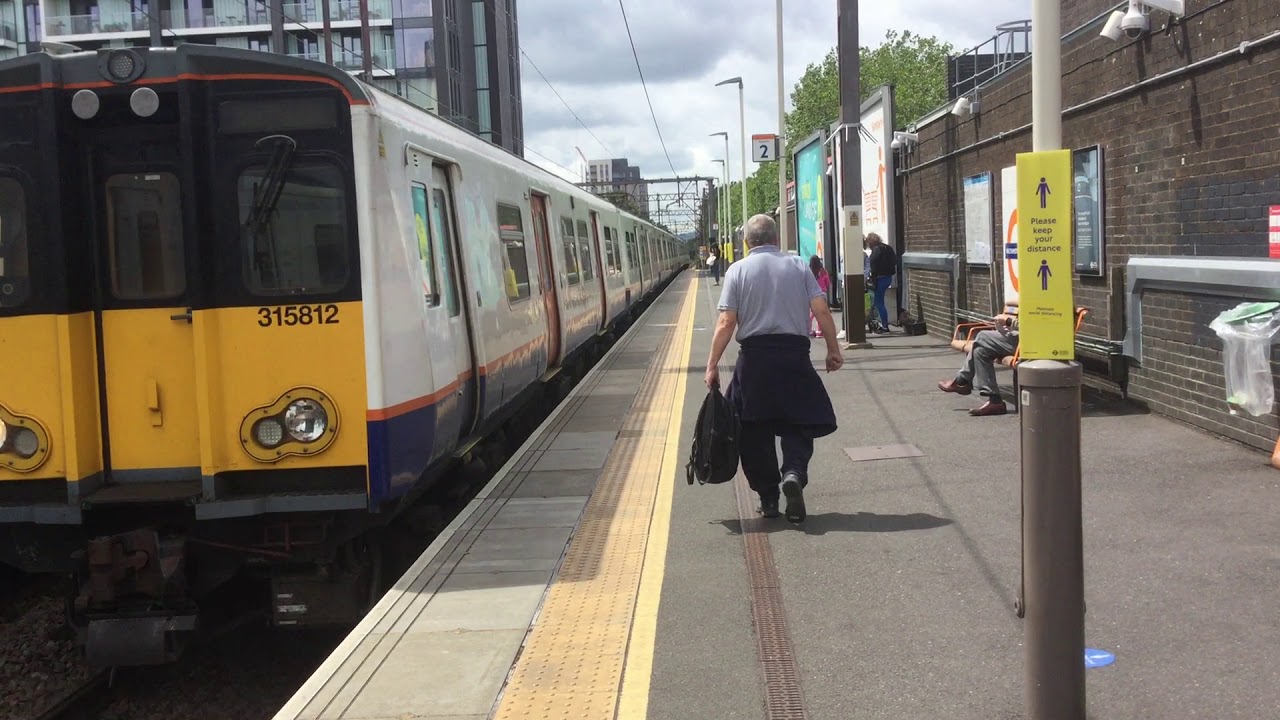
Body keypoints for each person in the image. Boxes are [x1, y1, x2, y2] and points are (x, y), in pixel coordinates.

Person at [706, 214, 842, 523]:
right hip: (795, 356)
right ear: (776, 239)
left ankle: (768, 498)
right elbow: (820, 309)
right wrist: (833, 350)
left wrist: (712, 365)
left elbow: (727, 322)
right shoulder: (796, 265)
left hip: (754, 361)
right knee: (799, 421)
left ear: (747, 242)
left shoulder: (737, 270)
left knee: (753, 430)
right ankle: (793, 471)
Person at [937, 312, 1017, 416]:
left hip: (1027, 342)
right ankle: (995, 401)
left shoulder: (1040, 299)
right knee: (980, 351)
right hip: (1018, 337)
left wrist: (1008, 321)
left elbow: (1033, 323)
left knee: (982, 336)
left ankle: (962, 380)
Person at [865, 233, 896, 334]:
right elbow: (894, 261)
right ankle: (882, 323)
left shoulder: (876, 250)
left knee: (878, 302)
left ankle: (885, 326)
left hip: (880, 278)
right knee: (879, 301)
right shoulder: (888, 248)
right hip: (888, 278)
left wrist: (871, 277)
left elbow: (873, 265)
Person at [808, 255, 830, 338]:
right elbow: (828, 283)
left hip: (813, 294)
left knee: (812, 313)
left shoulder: (809, 271)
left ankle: (809, 329)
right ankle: (819, 331)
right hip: (822, 293)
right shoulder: (823, 271)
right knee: (821, 313)